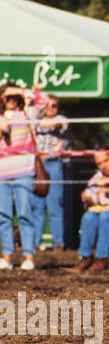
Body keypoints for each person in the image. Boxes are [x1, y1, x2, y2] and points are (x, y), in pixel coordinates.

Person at [0, 86, 41, 270]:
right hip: (2, 173)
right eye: (7, 96)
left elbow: (45, 100)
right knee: (3, 216)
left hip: (24, 170)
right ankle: (7, 257)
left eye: (14, 95)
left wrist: (20, 90)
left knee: (25, 214)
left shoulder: (28, 112)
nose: (11, 98)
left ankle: (29, 257)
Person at [34, 93, 70, 252]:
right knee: (37, 205)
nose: (50, 109)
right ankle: (35, 242)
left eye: (53, 105)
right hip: (38, 165)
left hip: (54, 164)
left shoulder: (62, 119)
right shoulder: (35, 119)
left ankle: (58, 243)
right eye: (46, 105)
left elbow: (60, 125)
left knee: (55, 205)